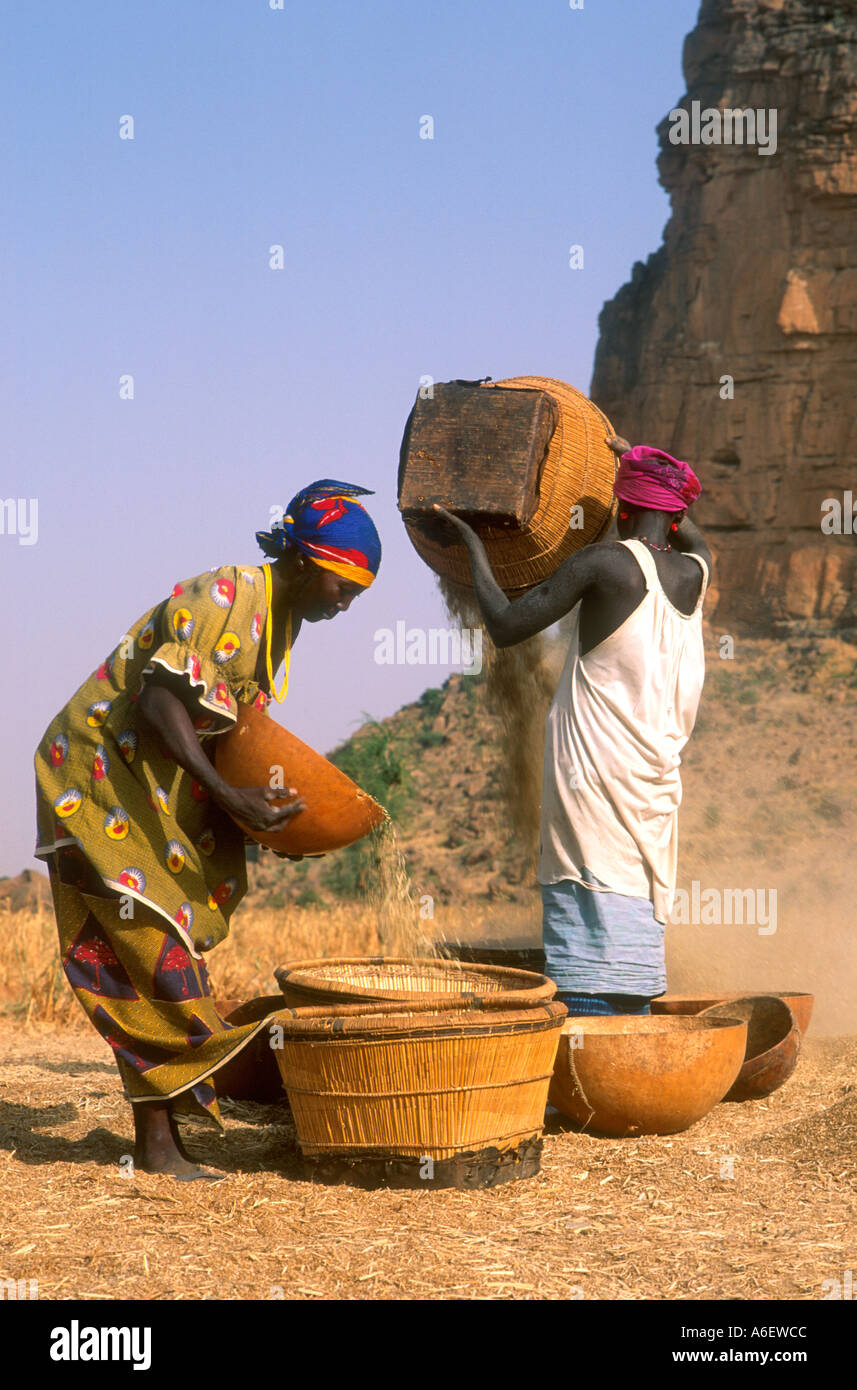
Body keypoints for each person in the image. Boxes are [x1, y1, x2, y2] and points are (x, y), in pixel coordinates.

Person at [34, 479, 381, 1179]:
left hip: (149, 792)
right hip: (98, 781)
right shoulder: (225, 595)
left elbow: (227, 732)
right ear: (305, 560)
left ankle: (163, 1138)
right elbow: (162, 698)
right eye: (341, 584)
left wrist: (264, 823)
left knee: (168, 944)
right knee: (145, 944)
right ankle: (157, 1146)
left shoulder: (276, 624)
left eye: (357, 592)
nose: (345, 602)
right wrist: (227, 793)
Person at [434, 445, 711, 1017]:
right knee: (629, 934)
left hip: (591, 779)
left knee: (583, 940)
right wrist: (645, 467)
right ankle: (619, 1078)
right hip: (652, 791)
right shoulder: (697, 574)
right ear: (677, 515)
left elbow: (508, 626)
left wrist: (472, 545)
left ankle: (583, 1084)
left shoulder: (604, 563)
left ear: (621, 506)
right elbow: (692, 536)